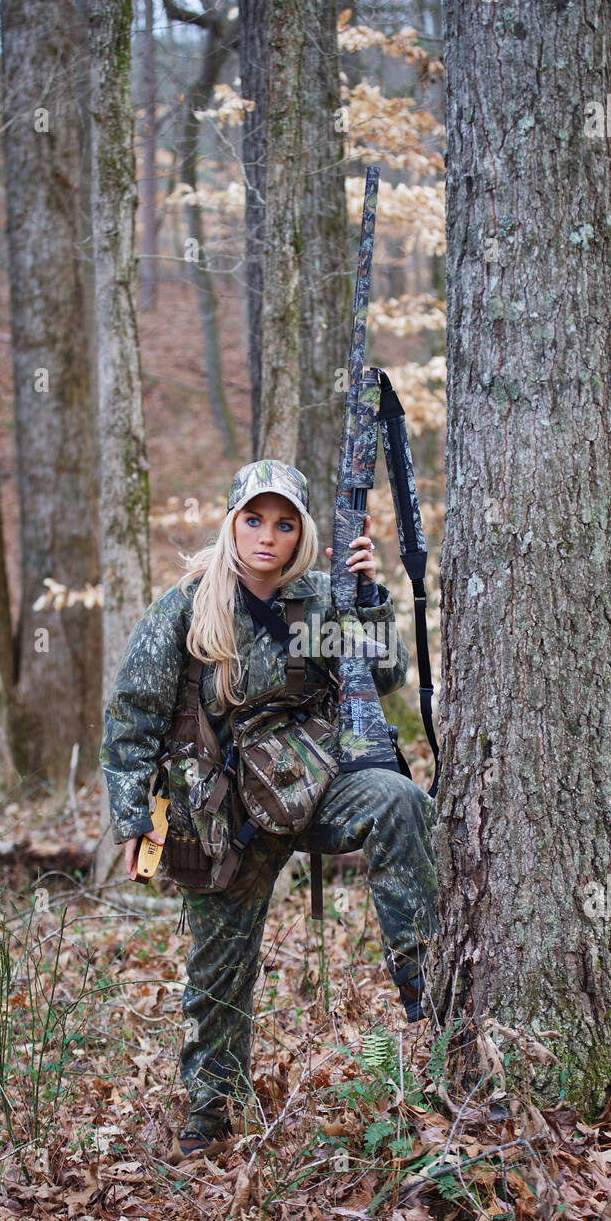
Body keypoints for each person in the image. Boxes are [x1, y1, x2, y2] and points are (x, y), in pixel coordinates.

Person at [100, 460, 437, 1160]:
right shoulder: (189, 607)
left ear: (301, 533)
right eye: (254, 519)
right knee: (219, 968)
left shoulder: (321, 599)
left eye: (284, 524)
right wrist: (134, 822)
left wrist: (368, 594)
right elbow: (131, 719)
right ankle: (211, 1109)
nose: (267, 536)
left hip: (312, 787)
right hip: (220, 816)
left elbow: (390, 672)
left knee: (399, 800)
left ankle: (423, 981)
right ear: (232, 524)